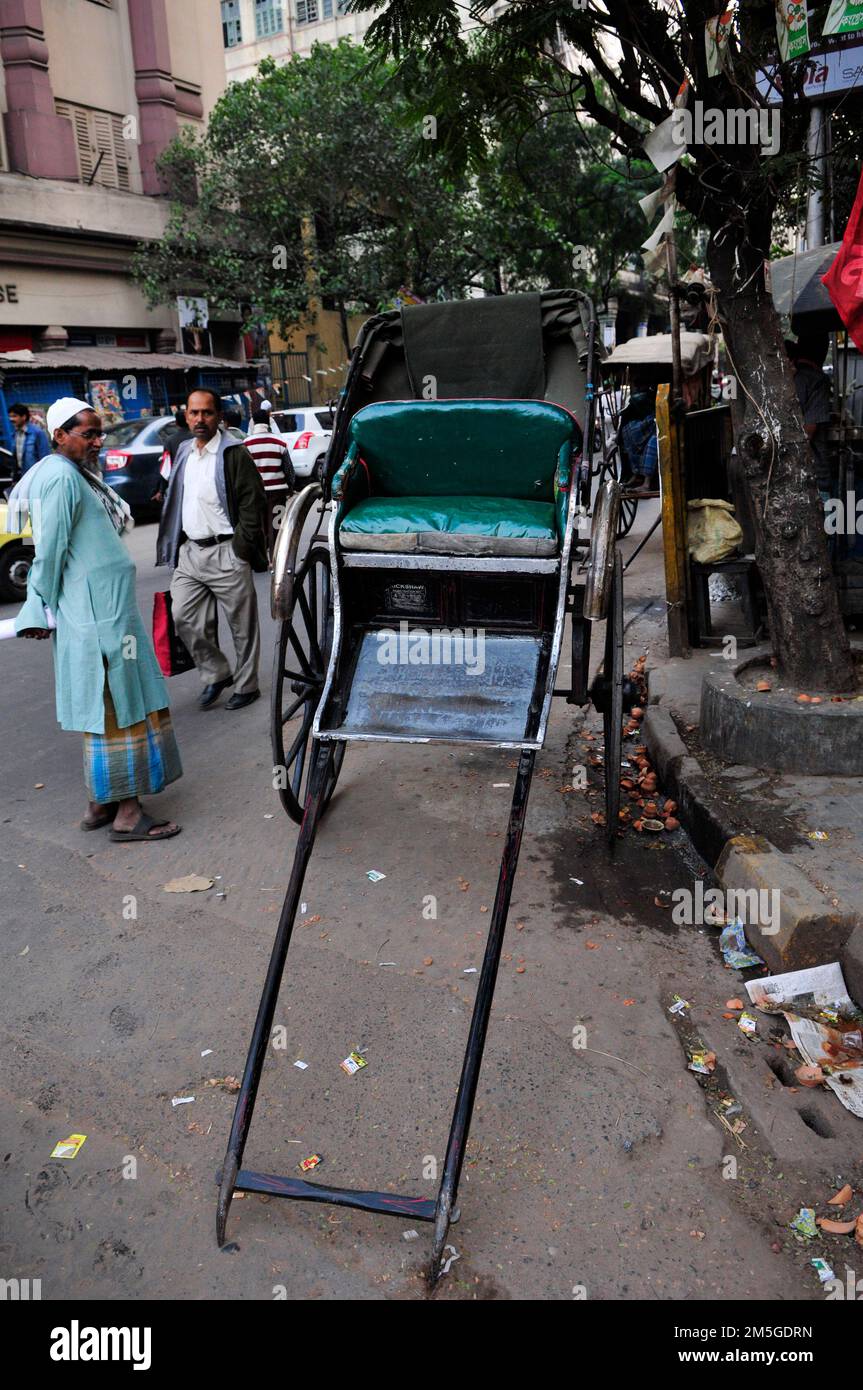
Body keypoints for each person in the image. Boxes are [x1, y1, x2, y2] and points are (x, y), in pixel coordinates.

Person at [14, 397, 182, 841]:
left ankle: (99, 805)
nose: (97, 442)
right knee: (118, 707)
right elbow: (48, 553)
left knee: (109, 706)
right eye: (88, 434)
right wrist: (35, 606)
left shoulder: (72, 475)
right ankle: (127, 814)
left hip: (106, 612)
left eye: (98, 433)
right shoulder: (60, 479)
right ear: (59, 436)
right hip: (97, 618)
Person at [156, 388, 267, 711]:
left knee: (242, 626)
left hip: (226, 550)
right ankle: (216, 672)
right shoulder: (184, 452)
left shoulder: (234, 453)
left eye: (206, 412)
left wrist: (241, 548)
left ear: (219, 416)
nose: (200, 419)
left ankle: (247, 685)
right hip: (191, 551)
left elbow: (252, 501)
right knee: (183, 615)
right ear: (186, 416)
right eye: (194, 413)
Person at [244, 409, 295, 558]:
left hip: (255, 493)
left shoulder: (246, 444)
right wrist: (290, 487)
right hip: (278, 493)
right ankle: (276, 558)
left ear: (253, 422)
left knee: (259, 524)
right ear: (268, 422)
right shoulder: (279, 443)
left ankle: (261, 558)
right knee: (276, 525)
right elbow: (289, 470)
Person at [786, 335, 833, 494]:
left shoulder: (787, 377)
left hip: (787, 473)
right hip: (812, 473)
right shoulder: (817, 380)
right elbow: (809, 429)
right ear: (822, 351)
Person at [619, 389, 659, 495]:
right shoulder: (635, 402)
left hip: (654, 426)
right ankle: (635, 474)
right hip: (643, 422)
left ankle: (647, 483)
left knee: (653, 442)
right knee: (627, 431)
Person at [8, 403, 51, 482]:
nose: (11, 419)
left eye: (14, 416)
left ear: (24, 417)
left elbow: (45, 457)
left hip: (37, 478)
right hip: (24, 478)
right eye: (10, 416)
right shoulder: (15, 434)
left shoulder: (37, 433)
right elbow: (16, 459)